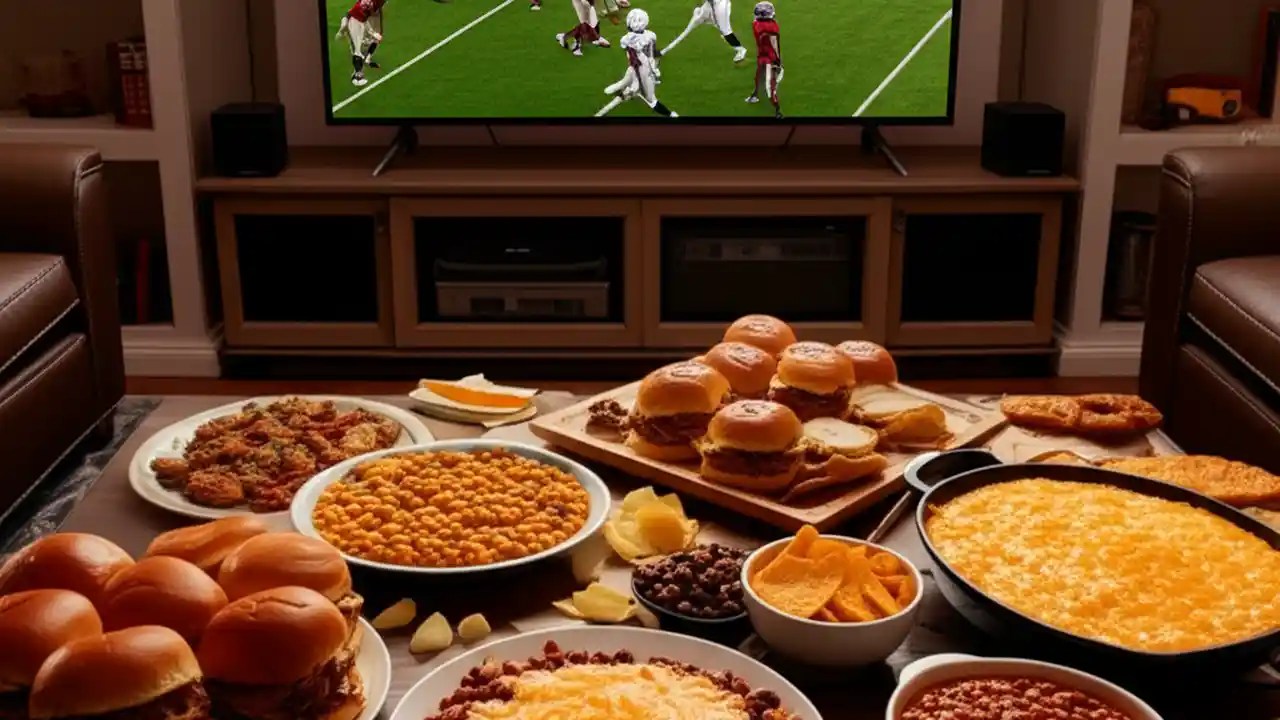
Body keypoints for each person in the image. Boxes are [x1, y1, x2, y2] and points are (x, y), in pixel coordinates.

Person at [596, 9, 678, 118]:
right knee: (650, 99)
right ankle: (670, 114)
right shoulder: (650, 35)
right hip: (641, 69)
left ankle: (621, 89)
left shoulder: (627, 39)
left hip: (639, 67)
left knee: (627, 79)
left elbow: (640, 55)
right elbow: (642, 57)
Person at [660, 0, 747, 63]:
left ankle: (741, 50)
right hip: (709, 5)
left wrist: (714, 19)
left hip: (720, 5)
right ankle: (663, 51)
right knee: (690, 27)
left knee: (725, 31)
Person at [335, 0, 387, 86]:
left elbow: (363, 17)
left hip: (357, 20)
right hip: (354, 21)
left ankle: (359, 71)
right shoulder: (373, 5)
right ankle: (357, 77)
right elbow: (359, 14)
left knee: (359, 48)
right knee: (357, 50)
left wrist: (372, 32)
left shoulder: (370, 6)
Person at [746, 1, 783, 118]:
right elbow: (774, 44)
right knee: (766, 82)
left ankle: (757, 96)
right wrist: (778, 60)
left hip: (763, 55)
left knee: (762, 78)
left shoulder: (755, 24)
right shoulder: (772, 26)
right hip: (768, 56)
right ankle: (776, 110)